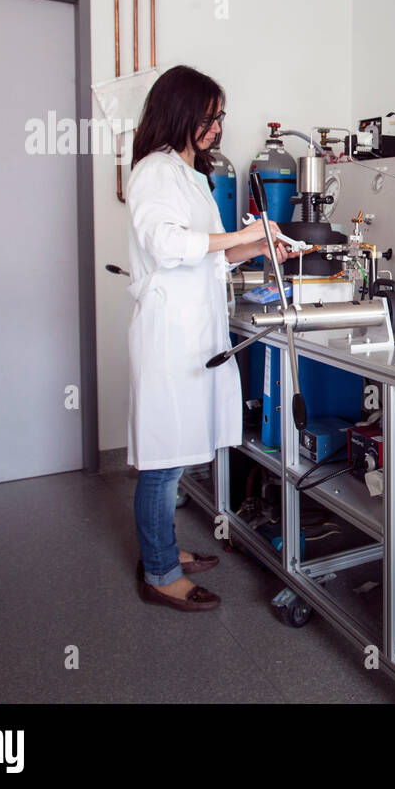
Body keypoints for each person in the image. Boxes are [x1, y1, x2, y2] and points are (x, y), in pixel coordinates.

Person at [125, 65, 294, 612]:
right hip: (168, 332)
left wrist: (260, 246)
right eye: (210, 117)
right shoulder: (154, 170)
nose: (218, 128)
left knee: (174, 452)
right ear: (181, 112)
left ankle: (164, 551)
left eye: (220, 118)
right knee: (162, 459)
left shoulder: (191, 175)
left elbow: (212, 251)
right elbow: (167, 244)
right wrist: (243, 234)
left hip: (193, 330)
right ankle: (159, 572)